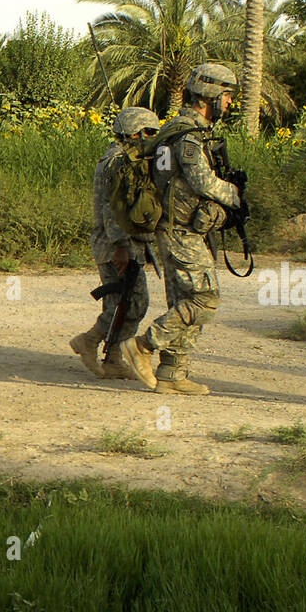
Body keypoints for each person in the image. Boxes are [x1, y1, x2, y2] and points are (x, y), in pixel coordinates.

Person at [117, 63, 242, 395]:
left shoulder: (172, 130)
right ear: (210, 95)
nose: (230, 103)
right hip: (180, 230)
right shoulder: (188, 135)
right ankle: (143, 346)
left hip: (174, 227)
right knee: (205, 299)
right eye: (227, 95)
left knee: (183, 302)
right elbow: (201, 181)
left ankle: (173, 373)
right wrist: (233, 194)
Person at [71, 106, 161, 378]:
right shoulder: (119, 160)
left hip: (122, 243)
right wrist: (121, 246)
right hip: (116, 244)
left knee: (124, 304)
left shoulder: (122, 158)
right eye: (149, 132)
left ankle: (113, 358)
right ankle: (89, 339)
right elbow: (113, 208)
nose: (152, 139)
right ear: (136, 132)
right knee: (131, 302)